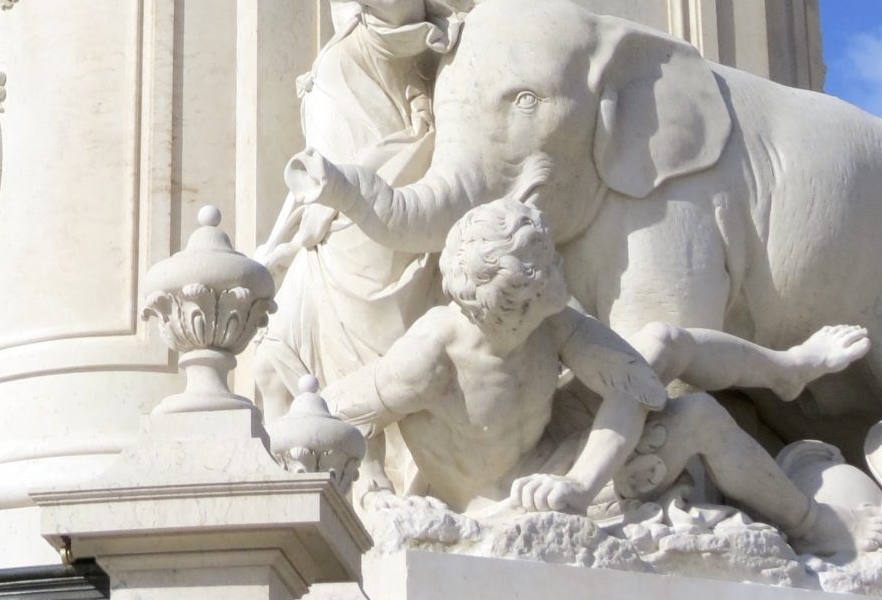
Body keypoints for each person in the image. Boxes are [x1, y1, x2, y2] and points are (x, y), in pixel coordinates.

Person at [321, 186, 870, 548]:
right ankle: (812, 524)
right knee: (699, 415)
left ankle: (786, 369)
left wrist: (583, 482)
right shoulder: (429, 359)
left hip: (564, 470)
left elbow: (637, 377)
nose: (563, 269)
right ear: (518, 296)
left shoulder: (547, 321)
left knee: (661, 341)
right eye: (550, 268)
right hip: (504, 503)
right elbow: (334, 419)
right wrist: (373, 492)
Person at [254, 0, 453, 474]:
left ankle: (372, 489)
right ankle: (285, 503)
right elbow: (312, 163)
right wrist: (274, 247)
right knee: (273, 366)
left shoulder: (387, 29)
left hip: (374, 219)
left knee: (360, 389)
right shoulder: (338, 47)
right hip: (324, 232)